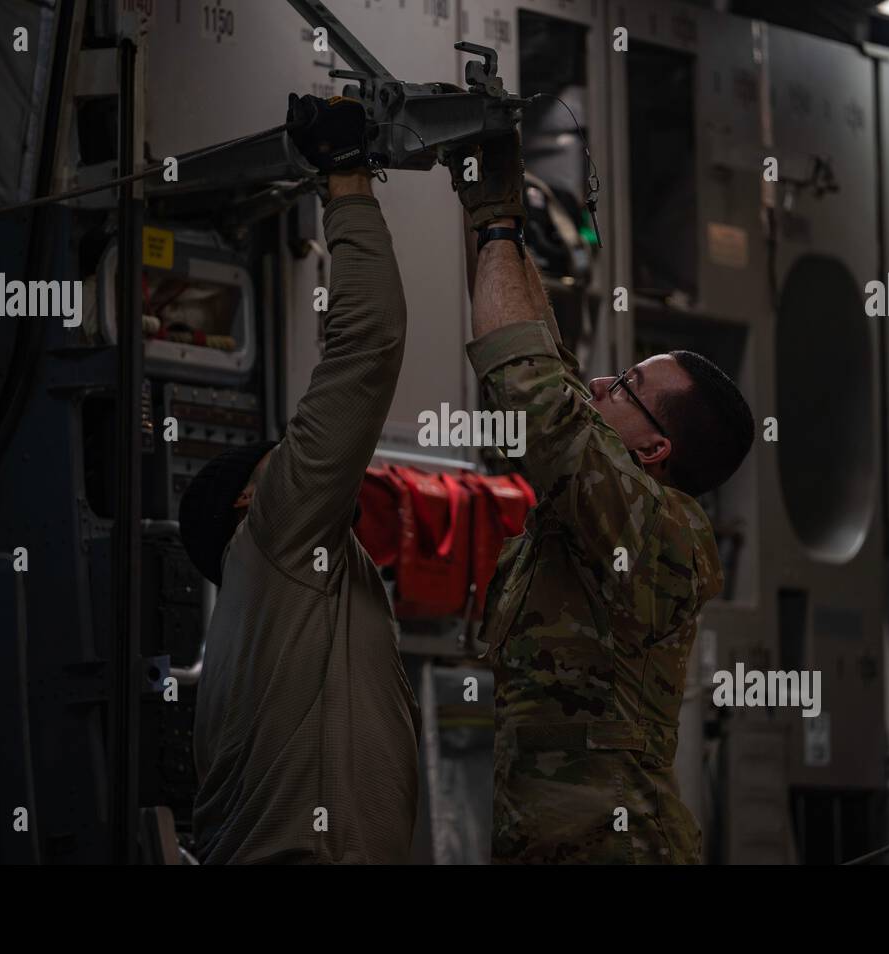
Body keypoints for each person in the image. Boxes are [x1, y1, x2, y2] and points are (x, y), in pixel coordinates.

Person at [447, 132, 755, 864]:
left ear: (654, 452)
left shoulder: (660, 531)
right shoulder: (608, 501)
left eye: (625, 389)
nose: (598, 385)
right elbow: (548, 367)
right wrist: (498, 218)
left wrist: (495, 226)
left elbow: (532, 392)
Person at [182, 95, 419, 864]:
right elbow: (366, 343)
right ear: (254, 498)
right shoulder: (279, 534)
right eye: (275, 462)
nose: (299, 464)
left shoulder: (263, 602)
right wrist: (346, 182)